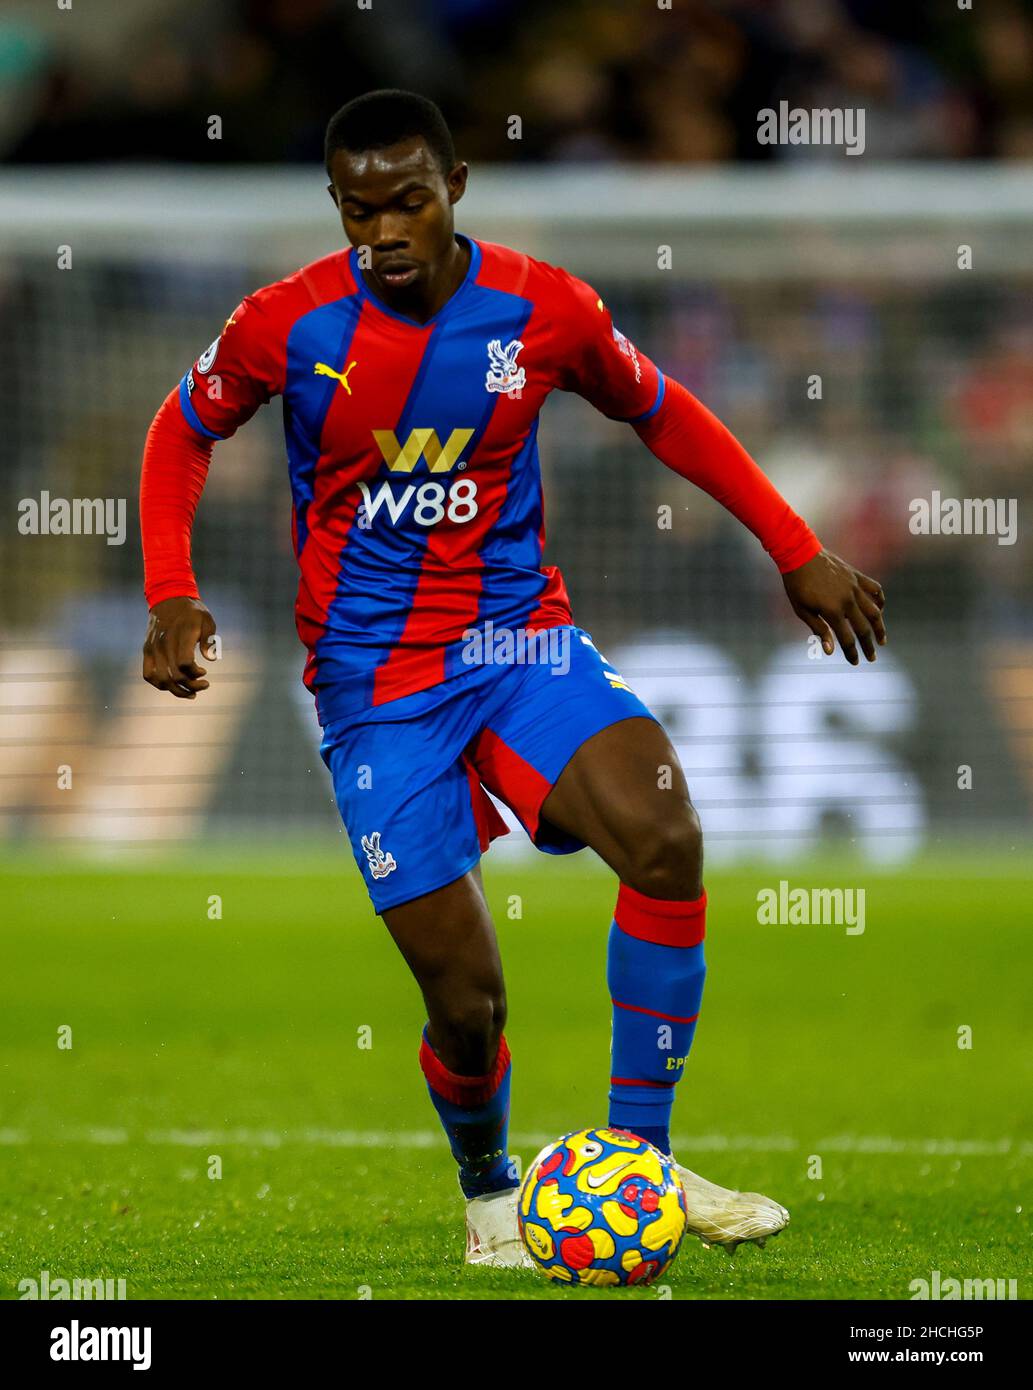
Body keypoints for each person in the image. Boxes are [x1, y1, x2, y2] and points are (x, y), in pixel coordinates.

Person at [140, 89, 887, 1268]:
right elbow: (181, 431)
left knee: (664, 833)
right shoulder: (283, 324)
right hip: (374, 686)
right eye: (357, 210)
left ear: (456, 188)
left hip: (518, 645)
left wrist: (795, 548)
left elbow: (665, 411)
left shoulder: (543, 308)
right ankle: (489, 1189)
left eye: (407, 202)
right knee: (466, 1002)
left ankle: (637, 1160)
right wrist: (171, 589)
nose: (382, 232)